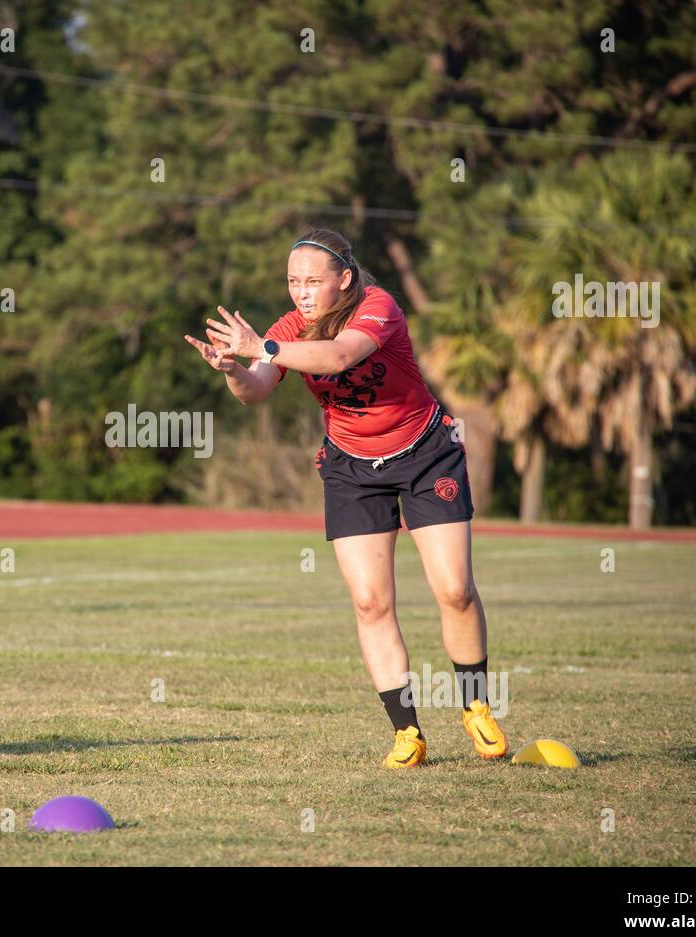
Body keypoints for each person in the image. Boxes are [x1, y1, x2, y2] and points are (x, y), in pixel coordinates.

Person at [184, 226, 507, 769]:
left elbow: (337, 357)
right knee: (370, 602)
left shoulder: (379, 306)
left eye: (313, 281)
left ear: (345, 280)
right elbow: (256, 391)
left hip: (427, 453)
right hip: (350, 467)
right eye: (293, 281)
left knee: (454, 590)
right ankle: (407, 732)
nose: (301, 292)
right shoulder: (288, 328)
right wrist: (233, 370)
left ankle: (475, 705)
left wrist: (259, 346)